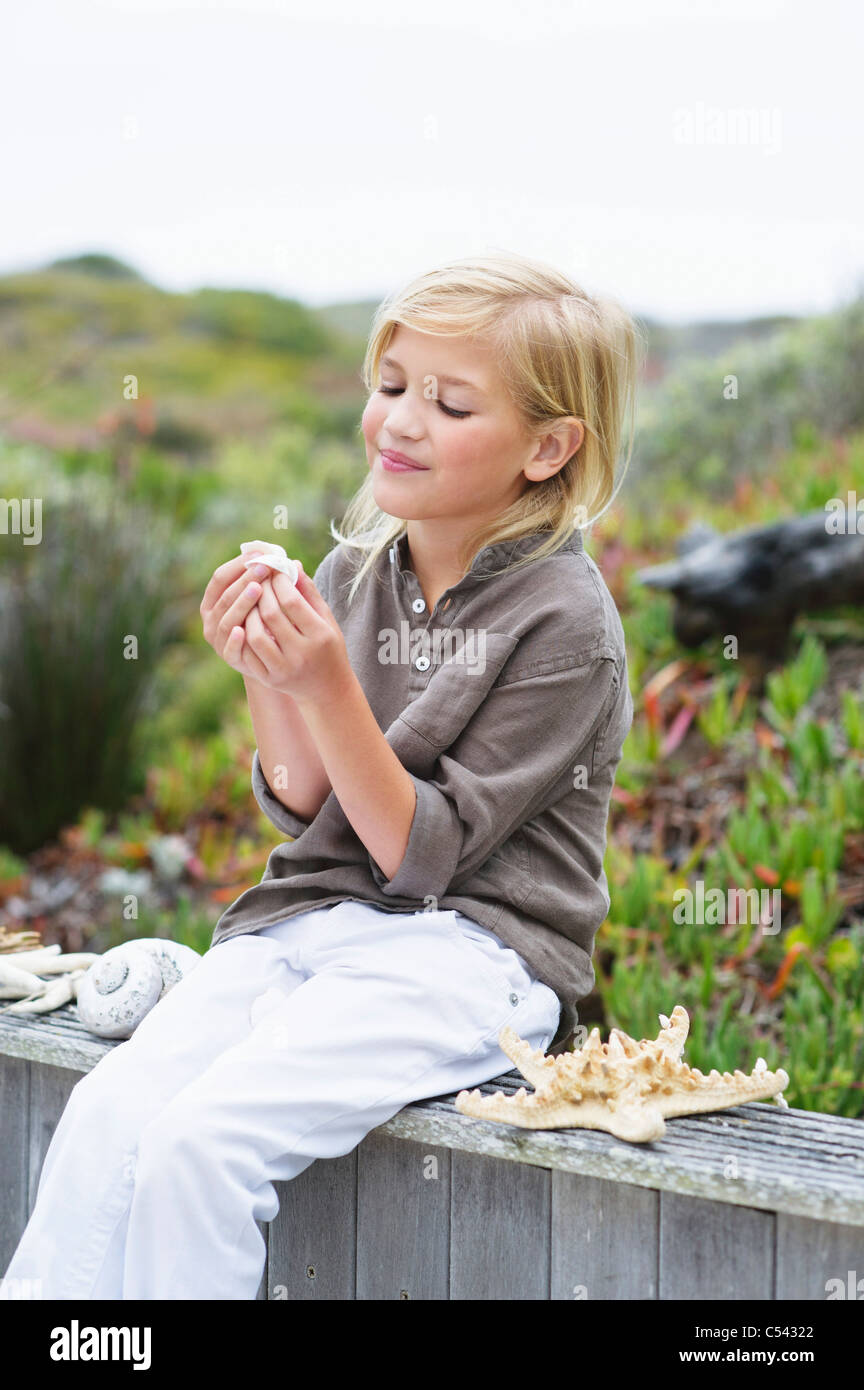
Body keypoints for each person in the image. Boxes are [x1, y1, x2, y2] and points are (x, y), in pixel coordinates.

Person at [2, 250, 640, 1300]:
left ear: (549, 446)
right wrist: (267, 670)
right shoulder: (355, 570)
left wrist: (327, 678)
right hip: (318, 922)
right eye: (391, 387)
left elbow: (420, 856)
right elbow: (303, 798)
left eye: (449, 401)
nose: (400, 420)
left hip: (477, 954)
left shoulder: (566, 623)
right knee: (110, 1114)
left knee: (199, 1149)